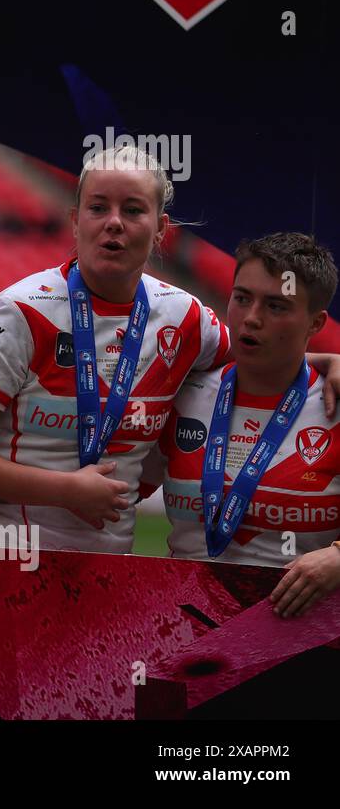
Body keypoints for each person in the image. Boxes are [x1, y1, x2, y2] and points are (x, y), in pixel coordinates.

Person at [0, 146, 339, 555]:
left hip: (104, 576)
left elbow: (260, 355)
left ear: (161, 229)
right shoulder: (22, 312)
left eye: (133, 210)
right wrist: (64, 490)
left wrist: (326, 361)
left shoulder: (185, 317)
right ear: (76, 221)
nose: (114, 222)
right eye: (98, 208)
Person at [141, 233, 339, 616]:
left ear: (316, 322)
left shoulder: (334, 406)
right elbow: (118, 489)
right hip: (183, 633)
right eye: (242, 297)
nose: (251, 318)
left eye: (276, 306)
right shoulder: (182, 394)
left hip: (302, 645)